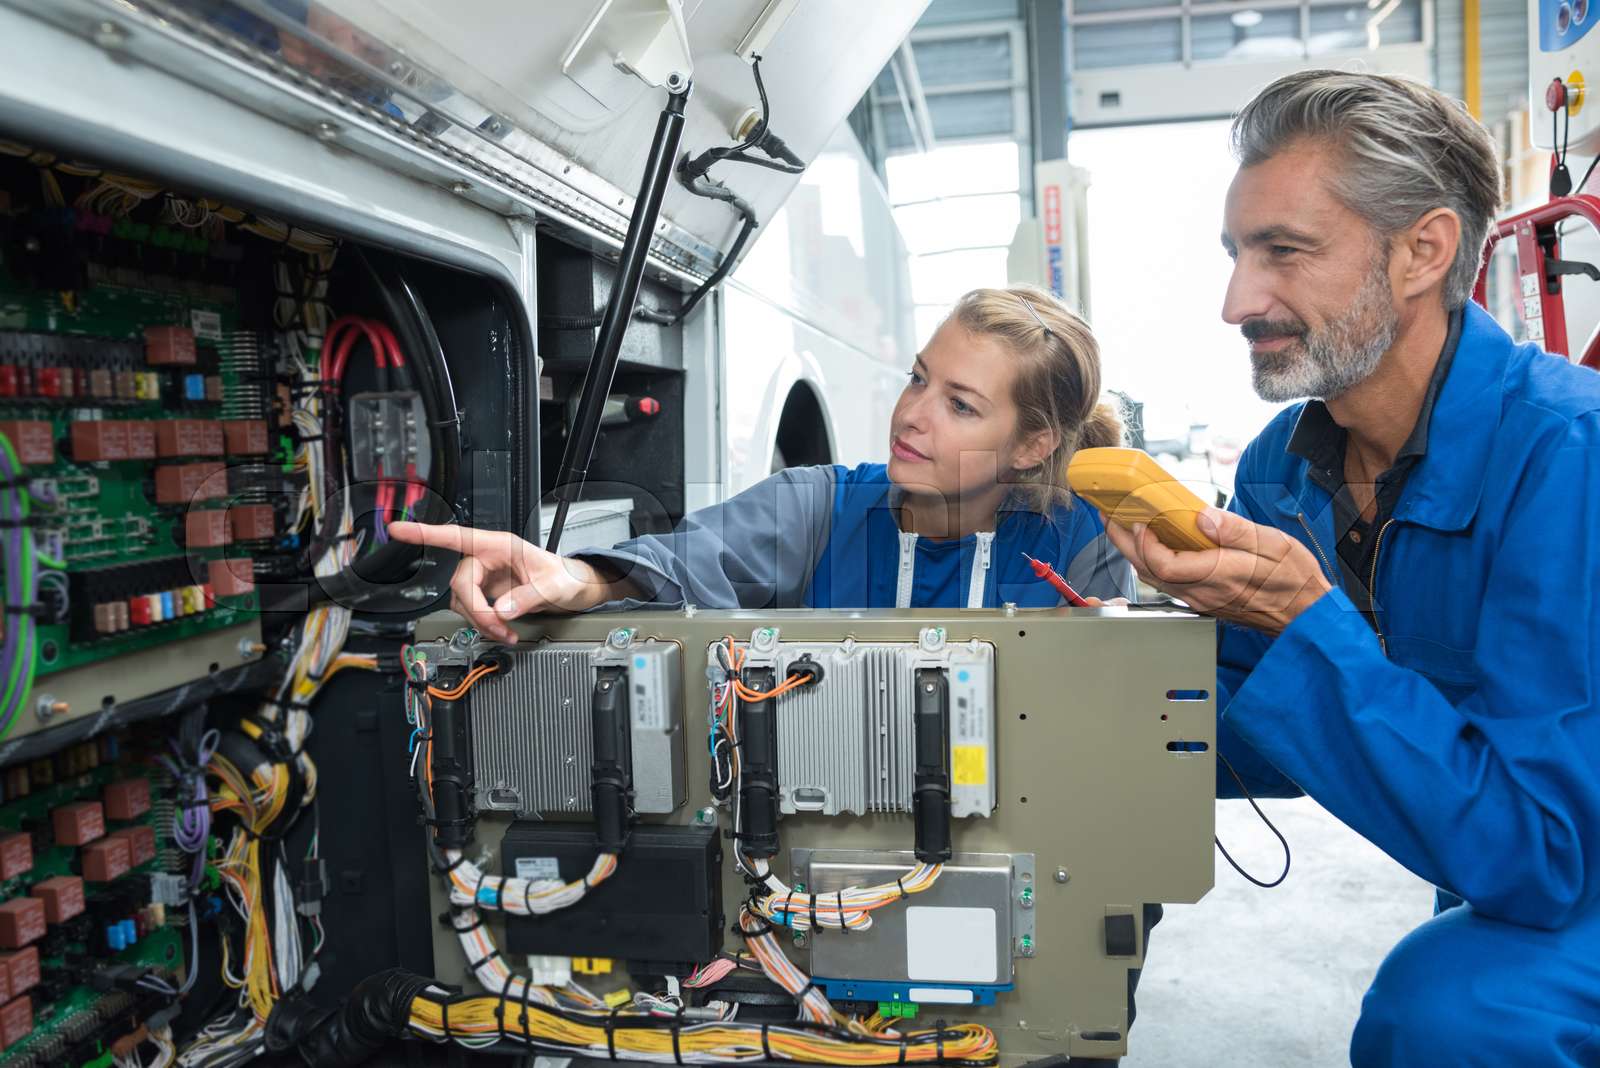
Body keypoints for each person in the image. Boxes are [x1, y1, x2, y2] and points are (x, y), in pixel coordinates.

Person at [1097, 71, 1600, 1066]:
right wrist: (1062, 706)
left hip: (1569, 861)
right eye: (1237, 254)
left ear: (1422, 251)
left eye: (1284, 252)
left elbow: (1542, 855)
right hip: (1510, 857)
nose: (1238, 300)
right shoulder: (1281, 467)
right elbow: (1257, 723)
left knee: (1450, 1012)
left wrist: (1304, 620)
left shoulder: (1568, 459)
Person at [390, 284, 1137, 641]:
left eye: (961, 405)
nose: (913, 414)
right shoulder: (819, 508)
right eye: (918, 378)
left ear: (1033, 445)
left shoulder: (1082, 544)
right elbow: (685, 561)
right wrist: (577, 577)